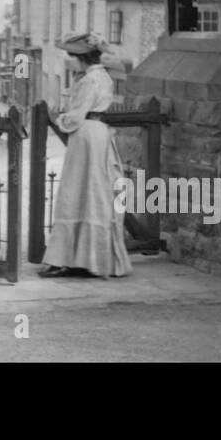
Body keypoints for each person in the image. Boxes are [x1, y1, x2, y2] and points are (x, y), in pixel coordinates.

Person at [38, 33, 131, 279]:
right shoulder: (104, 77)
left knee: (76, 191)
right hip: (99, 135)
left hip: (86, 136)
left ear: (81, 58)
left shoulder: (90, 80)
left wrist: (57, 118)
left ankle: (70, 259)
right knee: (95, 192)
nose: (73, 62)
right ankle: (90, 258)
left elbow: (75, 116)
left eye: (75, 57)